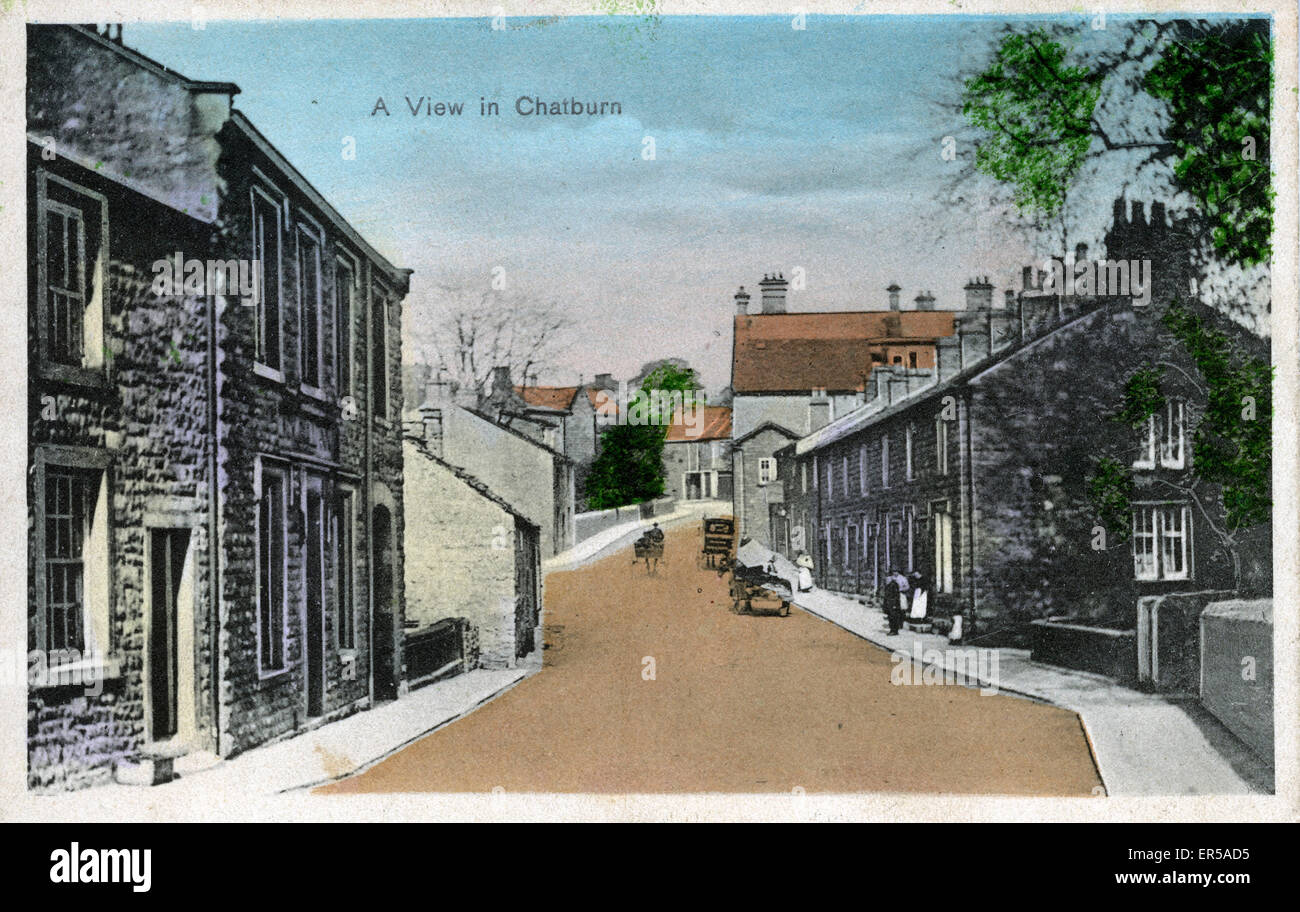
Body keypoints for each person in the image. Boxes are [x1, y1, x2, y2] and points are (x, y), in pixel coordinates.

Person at [882, 567, 910, 635]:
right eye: (893, 571)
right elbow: (886, 588)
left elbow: (907, 587)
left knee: (899, 611)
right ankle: (894, 628)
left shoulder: (902, 578)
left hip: (899, 595)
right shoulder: (889, 579)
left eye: (896, 571)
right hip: (891, 597)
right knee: (892, 613)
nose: (895, 573)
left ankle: (898, 626)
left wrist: (901, 589)